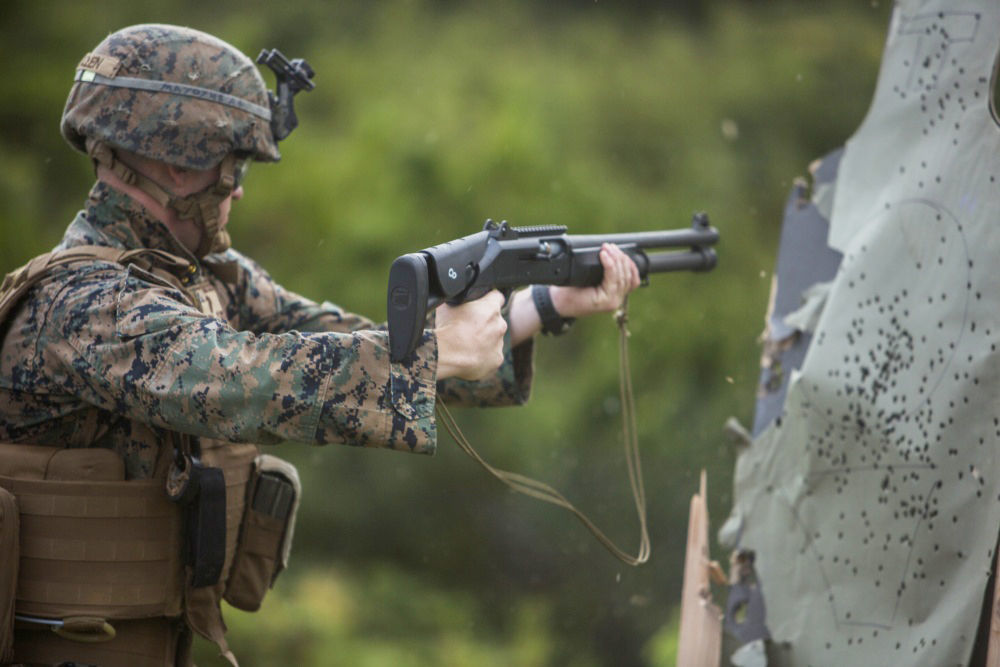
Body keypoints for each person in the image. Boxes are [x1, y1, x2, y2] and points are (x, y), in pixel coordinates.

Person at [0, 24, 639, 667]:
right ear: (178, 161)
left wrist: (542, 305)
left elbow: (338, 338)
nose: (240, 187)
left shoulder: (201, 274)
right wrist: (430, 354)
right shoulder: (81, 304)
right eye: (234, 165)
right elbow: (241, 381)